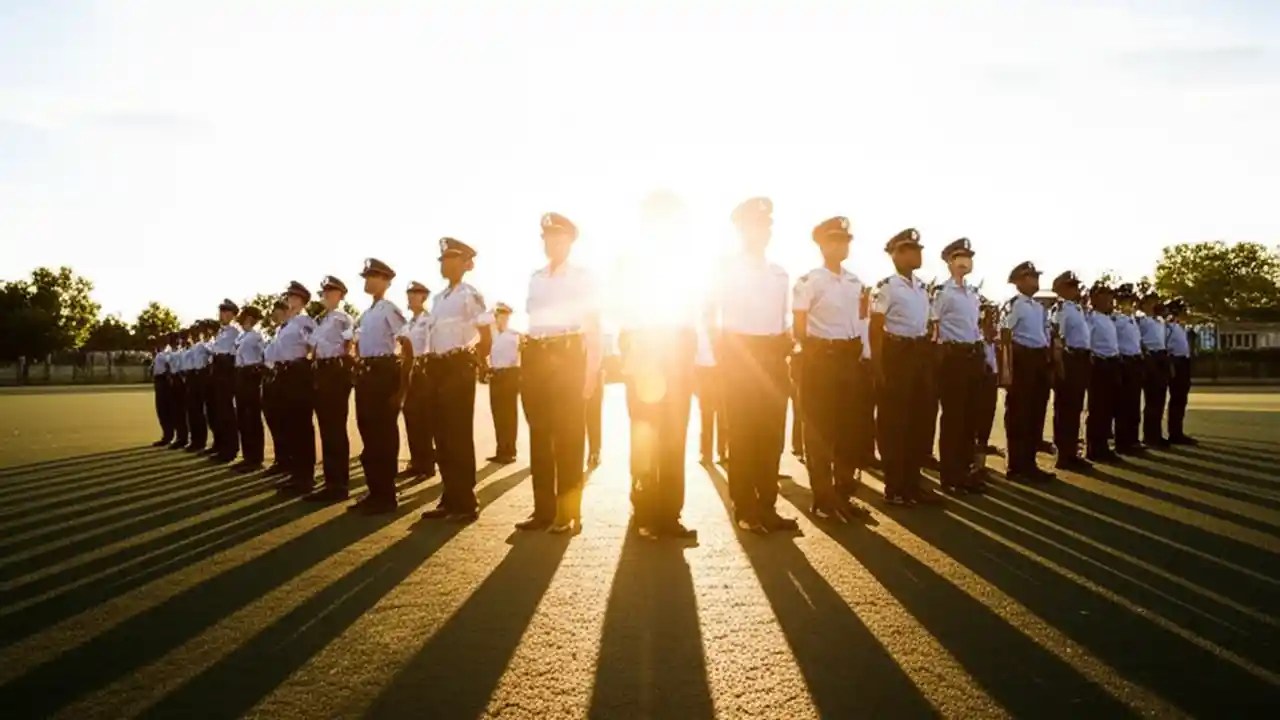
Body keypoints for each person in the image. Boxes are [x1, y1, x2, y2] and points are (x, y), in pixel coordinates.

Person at [710, 197, 797, 533]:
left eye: (765, 225)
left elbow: (782, 319)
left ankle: (767, 506)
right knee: (744, 436)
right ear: (740, 229)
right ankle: (745, 509)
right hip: (740, 357)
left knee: (771, 437)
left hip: (773, 357)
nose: (760, 231)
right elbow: (710, 314)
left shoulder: (780, 273)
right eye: (753, 225)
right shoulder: (726, 270)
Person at [519, 212, 602, 535]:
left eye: (558, 237)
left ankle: (568, 513)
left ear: (570, 242)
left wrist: (591, 371)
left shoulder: (582, 277)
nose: (552, 243)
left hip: (568, 355)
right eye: (547, 238)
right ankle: (543, 511)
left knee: (568, 437)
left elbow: (593, 324)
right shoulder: (535, 277)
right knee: (540, 436)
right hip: (537, 355)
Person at [794, 215, 873, 520]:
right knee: (820, 432)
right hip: (821, 359)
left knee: (848, 430)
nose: (841, 245)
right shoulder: (810, 281)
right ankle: (824, 500)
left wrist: (864, 357)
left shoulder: (856, 283)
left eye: (845, 240)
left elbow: (863, 321)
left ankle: (843, 494)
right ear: (822, 245)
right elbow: (799, 328)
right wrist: (811, 356)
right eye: (834, 240)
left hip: (849, 359)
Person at [418, 239, 492, 523]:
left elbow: (485, 332)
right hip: (437, 367)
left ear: (465, 264)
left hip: (457, 366)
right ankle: (449, 497)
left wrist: (475, 359)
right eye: (443, 259)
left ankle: (466, 501)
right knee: (442, 436)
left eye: (451, 259)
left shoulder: (469, 295)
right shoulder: (438, 299)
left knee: (458, 435)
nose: (445, 264)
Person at [871, 228, 936, 506]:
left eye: (918, 249)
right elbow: (875, 327)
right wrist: (877, 365)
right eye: (911, 249)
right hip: (896, 354)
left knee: (917, 422)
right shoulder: (886, 286)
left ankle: (912, 482)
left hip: (919, 354)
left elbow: (929, 325)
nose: (917, 254)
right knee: (894, 423)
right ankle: (895, 486)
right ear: (896, 254)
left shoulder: (921, 287)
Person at [348, 258, 410, 515]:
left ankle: (386, 495)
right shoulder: (367, 313)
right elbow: (357, 344)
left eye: (373, 277)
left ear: (385, 281)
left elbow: (407, 344)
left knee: (383, 436)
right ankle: (374, 491)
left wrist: (403, 387)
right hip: (368, 374)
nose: (368, 281)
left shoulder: (388, 309)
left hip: (385, 372)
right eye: (366, 277)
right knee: (368, 434)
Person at [930, 237, 986, 494]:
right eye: (959, 257)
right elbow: (934, 326)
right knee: (953, 418)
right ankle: (950, 477)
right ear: (949, 262)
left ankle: (965, 472)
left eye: (968, 257)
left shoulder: (973, 293)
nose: (964, 262)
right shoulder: (943, 293)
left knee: (968, 418)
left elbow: (974, 327)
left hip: (972, 356)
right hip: (952, 358)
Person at [1001, 261, 1055, 483]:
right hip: (1022, 359)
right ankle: (1016, 466)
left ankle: (1030, 463)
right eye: (1031, 277)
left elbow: (1045, 336)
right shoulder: (1016, 306)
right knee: (1019, 414)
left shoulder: (1038, 307)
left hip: (1038, 359)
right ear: (1019, 282)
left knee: (1035, 413)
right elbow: (1005, 333)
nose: (1035, 281)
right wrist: (1008, 367)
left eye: (1036, 277)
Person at [308, 276, 356, 499]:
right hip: (321, 371)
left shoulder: (343, 318)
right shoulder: (321, 320)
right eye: (324, 292)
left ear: (341, 295)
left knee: (335, 429)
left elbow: (350, 345)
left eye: (331, 292)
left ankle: (339, 485)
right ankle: (330, 481)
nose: (326, 296)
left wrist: (343, 370)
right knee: (326, 429)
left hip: (336, 372)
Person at [274, 281, 319, 495]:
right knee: (290, 425)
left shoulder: (304, 321)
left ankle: (306, 477)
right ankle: (296, 473)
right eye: (288, 297)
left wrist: (307, 366)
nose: (289, 300)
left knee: (301, 426)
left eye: (293, 297)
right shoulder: (288, 323)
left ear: (301, 300)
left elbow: (314, 345)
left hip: (298, 371)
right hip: (285, 373)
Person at [1050, 271, 1092, 470]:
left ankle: (1071, 451)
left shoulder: (1076, 309)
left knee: (1075, 408)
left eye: (1076, 285)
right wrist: (1060, 367)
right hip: (1069, 359)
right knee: (1066, 409)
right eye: (1070, 286)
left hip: (1080, 358)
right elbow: (1059, 340)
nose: (1075, 289)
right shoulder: (1062, 310)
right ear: (1061, 289)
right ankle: (1064, 455)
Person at [399, 280, 437, 480]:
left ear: (424, 298)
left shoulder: (428, 320)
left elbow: (432, 346)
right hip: (409, 371)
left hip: (424, 371)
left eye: (415, 295)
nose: (411, 298)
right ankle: (416, 462)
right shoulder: (408, 324)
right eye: (409, 295)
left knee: (424, 420)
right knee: (411, 417)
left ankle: (427, 466)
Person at [1084, 281, 1122, 463]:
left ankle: (1103, 445)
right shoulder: (1091, 318)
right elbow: (1087, 342)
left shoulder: (1108, 319)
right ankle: (1094, 447)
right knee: (1098, 408)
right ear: (1095, 299)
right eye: (1106, 296)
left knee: (1108, 407)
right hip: (1099, 364)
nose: (1110, 300)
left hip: (1112, 363)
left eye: (1110, 296)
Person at [233, 306, 267, 473]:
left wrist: (257, 371)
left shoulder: (256, 335)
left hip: (250, 375)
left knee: (252, 417)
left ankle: (256, 458)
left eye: (245, 316)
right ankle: (247, 456)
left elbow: (264, 356)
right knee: (242, 417)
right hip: (240, 373)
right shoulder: (242, 335)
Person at [1112, 283, 1145, 455]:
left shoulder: (1133, 319)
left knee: (1134, 403)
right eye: (1124, 300)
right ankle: (1122, 442)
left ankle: (1133, 439)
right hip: (1124, 361)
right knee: (1123, 405)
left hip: (1135, 361)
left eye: (1130, 300)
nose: (1128, 304)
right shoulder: (1116, 320)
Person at [209, 300, 243, 463]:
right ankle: (222, 445)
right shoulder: (221, 332)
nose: (221, 315)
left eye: (224, 312)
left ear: (232, 314)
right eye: (221, 311)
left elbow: (232, 354)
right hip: (217, 370)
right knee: (219, 412)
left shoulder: (234, 332)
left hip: (226, 371)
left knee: (227, 412)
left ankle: (230, 449)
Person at [487, 302, 521, 464]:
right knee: (498, 414)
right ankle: (501, 449)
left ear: (507, 318)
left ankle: (510, 451)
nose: (500, 320)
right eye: (498, 317)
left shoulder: (514, 336)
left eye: (503, 317)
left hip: (509, 375)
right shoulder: (493, 335)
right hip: (496, 375)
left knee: (509, 415)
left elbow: (519, 359)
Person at [1138, 291, 1170, 447]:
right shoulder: (1141, 320)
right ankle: (1150, 436)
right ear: (1143, 304)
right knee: (1152, 398)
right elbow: (1139, 340)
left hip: (1161, 355)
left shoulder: (1159, 320)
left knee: (1160, 398)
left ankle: (1157, 434)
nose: (1153, 304)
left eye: (1155, 301)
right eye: (1150, 301)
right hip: (1150, 356)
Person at [261, 299, 290, 475]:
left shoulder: (292, 328)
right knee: (274, 420)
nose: (273, 314)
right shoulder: (277, 332)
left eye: (277, 311)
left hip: (284, 376)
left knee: (284, 421)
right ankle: (281, 459)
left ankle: (288, 461)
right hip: (271, 377)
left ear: (285, 312)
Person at [693, 324, 727, 466]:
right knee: (706, 415)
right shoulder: (698, 332)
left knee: (722, 415)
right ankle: (706, 454)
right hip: (704, 373)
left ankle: (722, 451)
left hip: (719, 373)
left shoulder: (721, 331)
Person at [1165, 297, 1197, 445]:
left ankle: (1178, 431)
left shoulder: (1180, 326)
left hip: (1184, 362)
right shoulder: (1169, 327)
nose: (1186, 313)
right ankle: (1174, 433)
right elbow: (1166, 347)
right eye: (1184, 310)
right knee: (1177, 398)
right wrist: (1171, 365)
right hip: (1176, 362)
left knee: (1181, 399)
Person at [975, 301, 1000, 457]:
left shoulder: (992, 345)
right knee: (980, 414)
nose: (993, 328)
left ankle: (983, 443)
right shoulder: (979, 343)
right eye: (989, 323)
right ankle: (976, 448)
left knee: (989, 414)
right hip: (982, 382)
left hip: (992, 381)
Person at [183, 321, 212, 453]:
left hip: (202, 375)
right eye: (192, 333)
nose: (193, 335)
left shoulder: (205, 345)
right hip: (191, 376)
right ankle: (195, 440)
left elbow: (212, 354)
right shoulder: (192, 347)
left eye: (196, 332)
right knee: (192, 409)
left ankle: (200, 441)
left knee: (200, 410)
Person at [166, 332, 190, 450]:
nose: (172, 342)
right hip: (173, 379)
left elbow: (182, 367)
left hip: (180, 379)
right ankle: (179, 436)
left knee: (181, 411)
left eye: (174, 339)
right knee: (175, 410)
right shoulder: (170, 351)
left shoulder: (181, 352)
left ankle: (183, 438)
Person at [150, 337, 175, 447]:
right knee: (161, 410)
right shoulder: (159, 353)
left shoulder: (167, 352)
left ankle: (169, 436)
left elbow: (169, 366)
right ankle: (166, 435)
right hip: (159, 380)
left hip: (164, 380)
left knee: (166, 409)